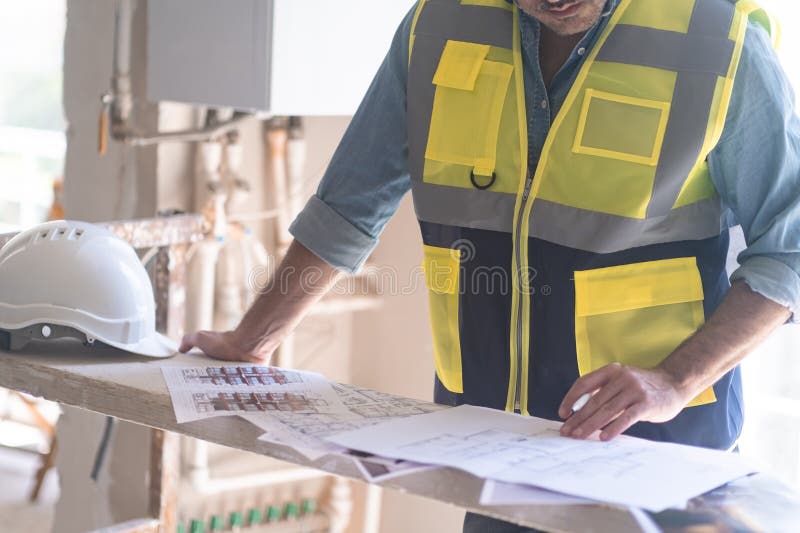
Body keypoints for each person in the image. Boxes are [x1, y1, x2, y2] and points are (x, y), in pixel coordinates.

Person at [181, 1, 800, 530]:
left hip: (659, 462)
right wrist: (252, 339)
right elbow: (349, 203)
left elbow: (788, 249)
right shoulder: (437, 25)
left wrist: (674, 381)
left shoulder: (718, 44)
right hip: (493, 450)